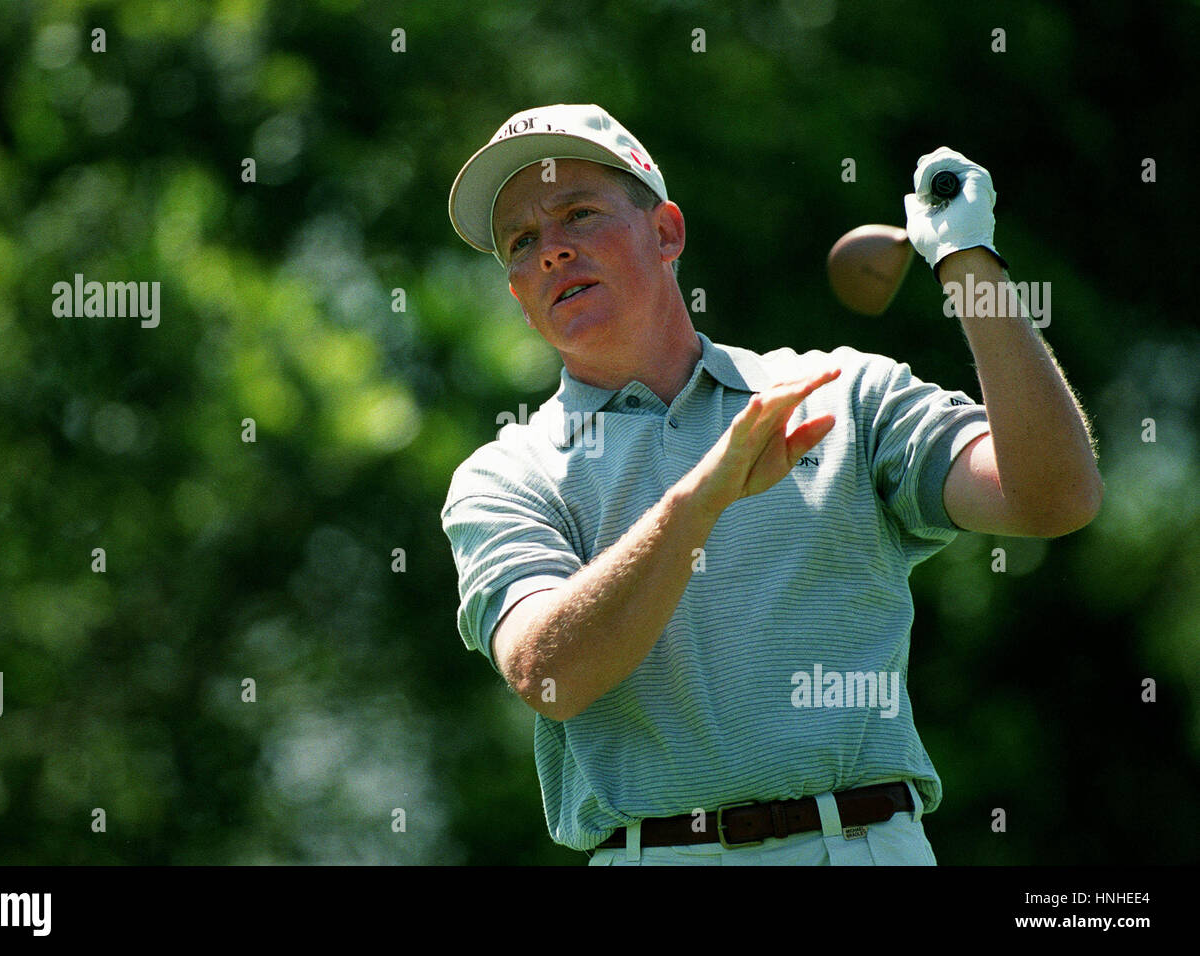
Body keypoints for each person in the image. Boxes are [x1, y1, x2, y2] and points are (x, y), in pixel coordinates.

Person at [440, 104, 1102, 865]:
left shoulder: (839, 391)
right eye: (522, 243)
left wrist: (968, 264)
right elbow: (549, 675)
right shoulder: (504, 474)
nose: (552, 250)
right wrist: (703, 496)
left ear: (665, 234)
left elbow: (1053, 497)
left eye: (578, 214)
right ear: (520, 298)